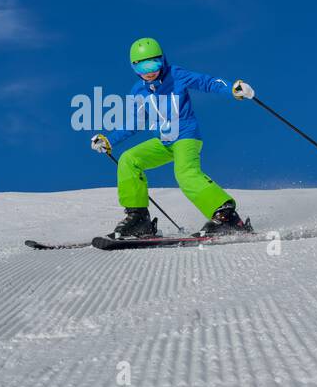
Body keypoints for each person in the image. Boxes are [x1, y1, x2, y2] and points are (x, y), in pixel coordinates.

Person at [91, 36, 254, 239]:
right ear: (134, 68)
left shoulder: (176, 75)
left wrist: (232, 88)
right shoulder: (138, 91)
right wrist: (109, 141)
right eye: (142, 68)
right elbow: (135, 123)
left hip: (186, 136)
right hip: (165, 142)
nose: (149, 71)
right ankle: (138, 219)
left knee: (185, 173)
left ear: (162, 59)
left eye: (154, 64)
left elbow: (208, 82)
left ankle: (226, 215)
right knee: (128, 159)